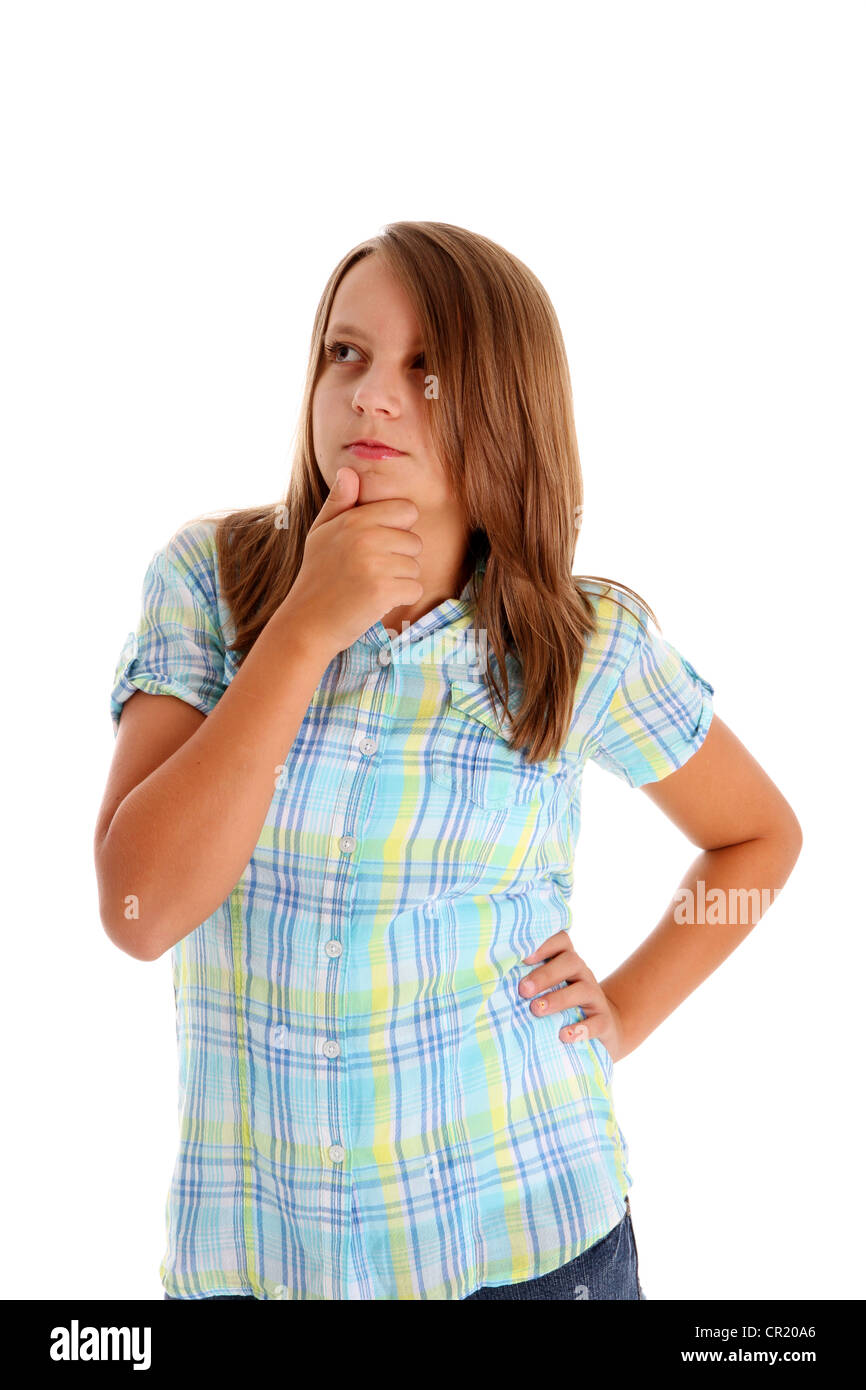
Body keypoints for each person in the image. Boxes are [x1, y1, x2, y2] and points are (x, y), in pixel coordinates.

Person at [94, 221, 802, 1301]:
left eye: (426, 369)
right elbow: (140, 909)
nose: (372, 394)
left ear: (503, 403)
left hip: (524, 1243)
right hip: (259, 1261)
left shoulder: (582, 641)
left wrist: (625, 1006)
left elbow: (755, 840)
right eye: (348, 354)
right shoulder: (212, 583)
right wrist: (299, 634)